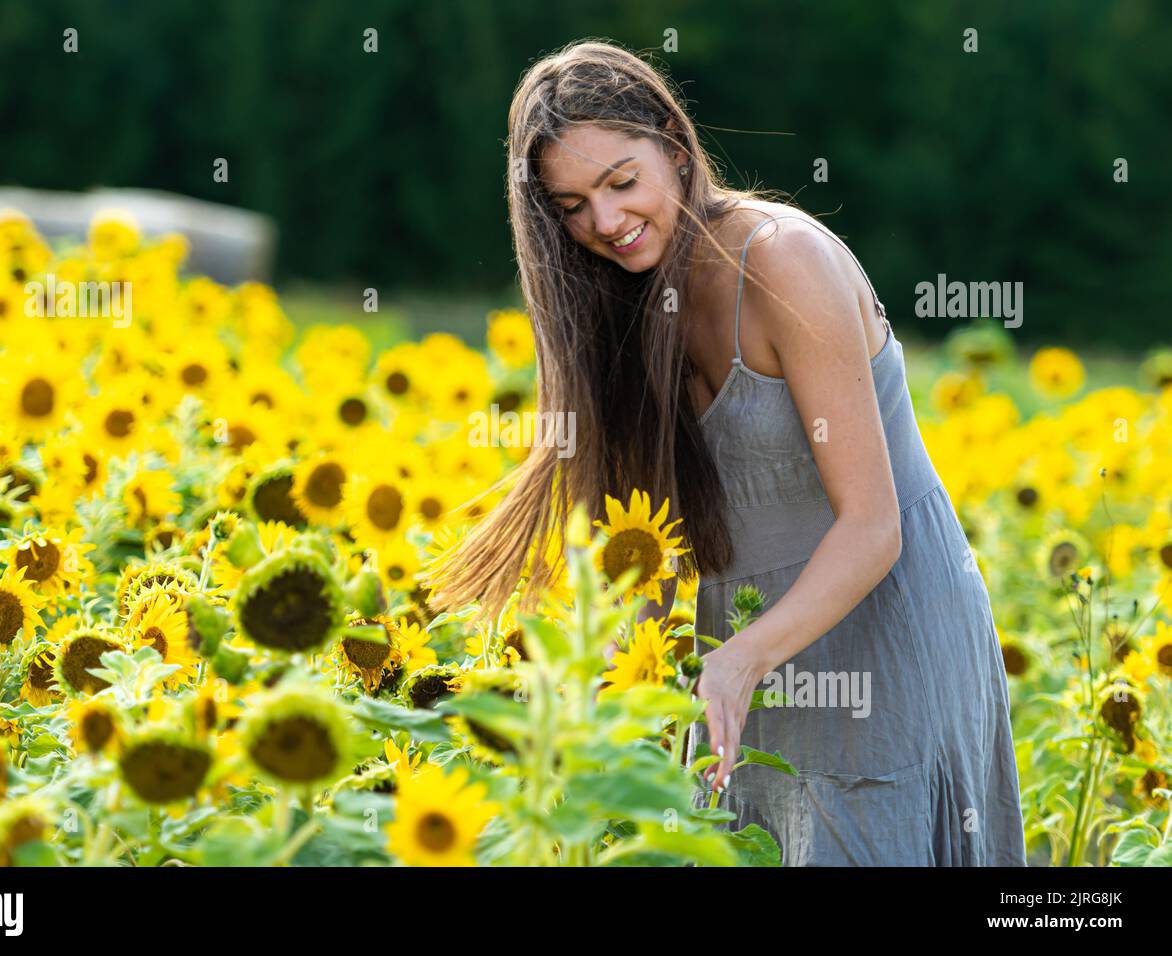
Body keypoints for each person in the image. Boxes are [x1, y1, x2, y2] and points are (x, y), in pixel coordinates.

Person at [422, 39, 1027, 866]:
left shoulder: (784, 260)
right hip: (737, 646)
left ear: (674, 148)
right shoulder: (615, 304)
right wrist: (614, 686)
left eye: (620, 182)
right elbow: (652, 545)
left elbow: (873, 525)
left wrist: (741, 659)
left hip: (879, 626)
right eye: (570, 206)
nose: (603, 222)